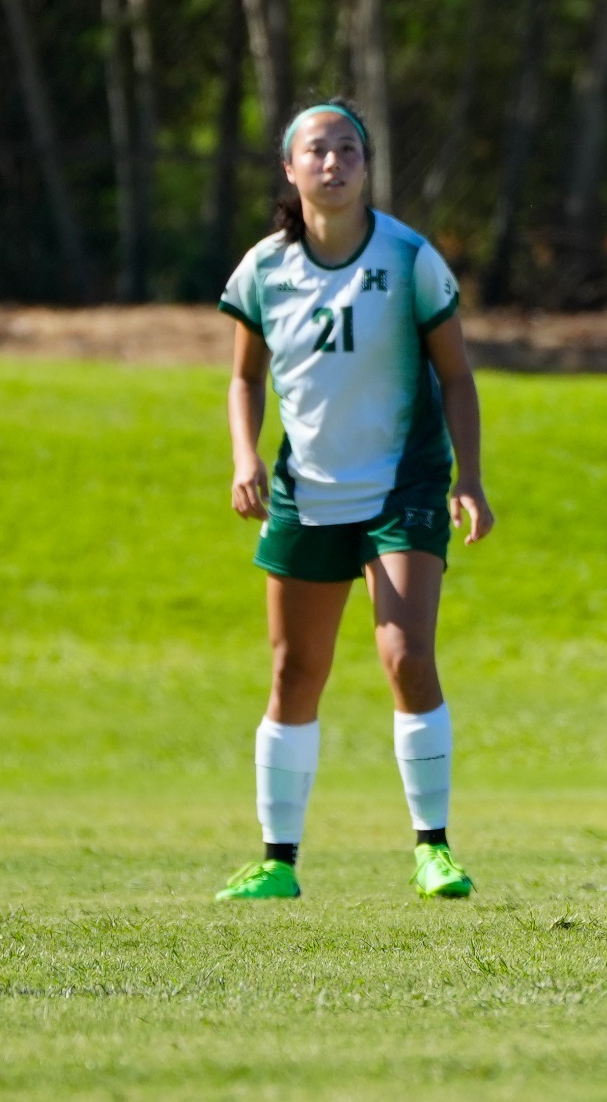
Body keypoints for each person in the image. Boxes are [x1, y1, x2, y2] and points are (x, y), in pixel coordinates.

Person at [213, 99, 493, 901]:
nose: (333, 164)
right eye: (317, 152)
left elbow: (457, 375)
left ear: (367, 166)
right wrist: (244, 455)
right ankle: (277, 862)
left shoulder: (409, 259)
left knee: (405, 657)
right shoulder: (263, 268)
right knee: (295, 671)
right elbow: (244, 375)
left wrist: (467, 478)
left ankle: (433, 849)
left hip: (402, 487)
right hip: (306, 491)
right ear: (289, 168)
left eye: (348, 151)